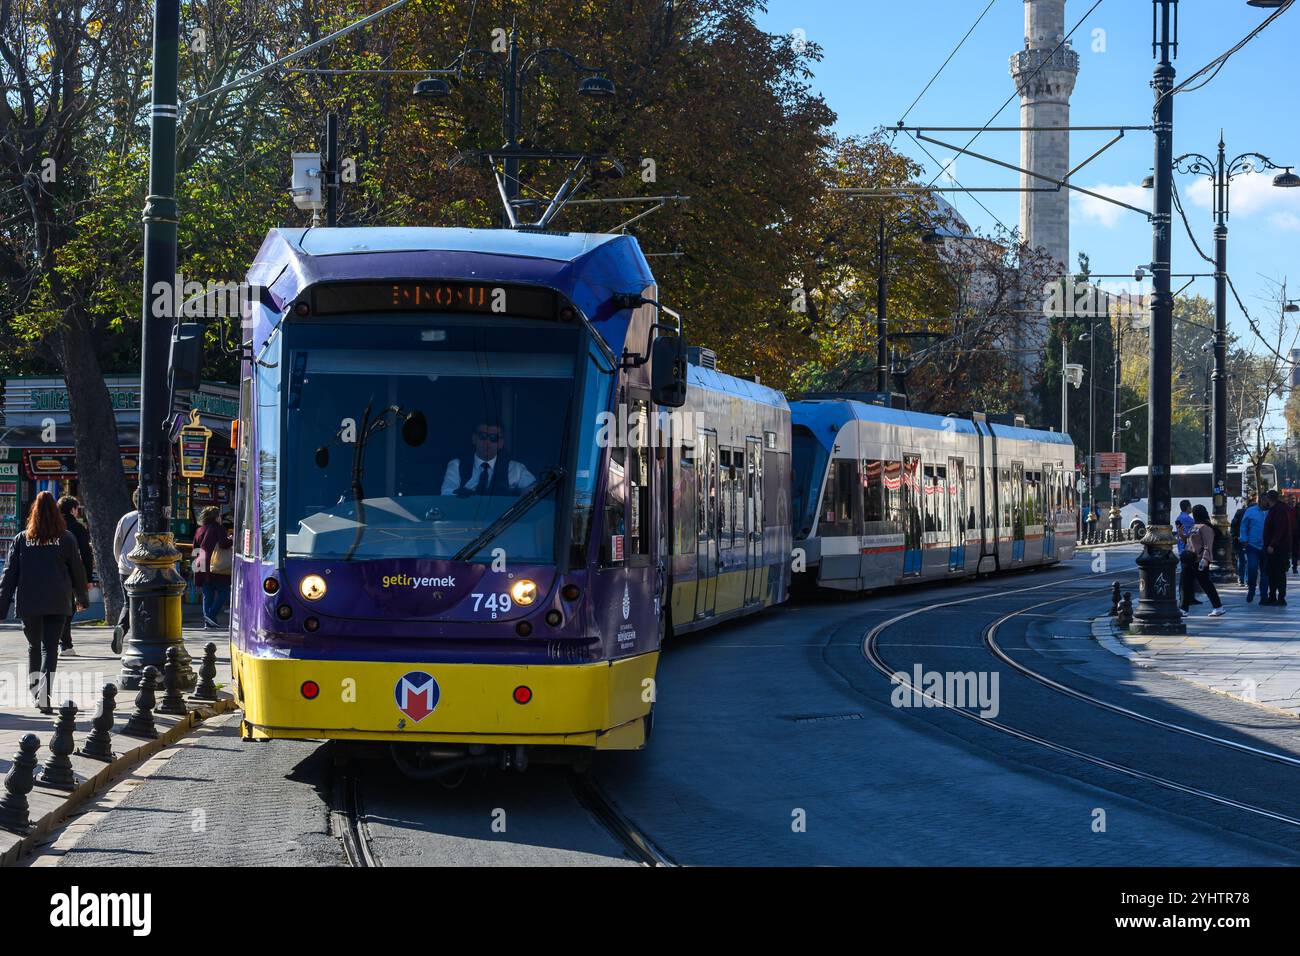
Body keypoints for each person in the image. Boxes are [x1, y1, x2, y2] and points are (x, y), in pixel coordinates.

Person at [0, 492, 90, 713]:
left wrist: (2, 605)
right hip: (58, 601)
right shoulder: (66, 538)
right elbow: (78, 572)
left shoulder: (22, 539)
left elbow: (10, 574)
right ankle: (44, 695)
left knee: (33, 647)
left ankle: (34, 691)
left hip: (29, 601)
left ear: (34, 513)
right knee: (50, 649)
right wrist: (81, 598)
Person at [440, 422, 536, 497]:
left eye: (494, 438)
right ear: (474, 439)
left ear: (501, 443)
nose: (487, 442)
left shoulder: (516, 468)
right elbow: (447, 495)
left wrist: (519, 493)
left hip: (504, 520)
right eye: (483, 436)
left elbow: (535, 491)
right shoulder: (457, 465)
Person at [55, 496, 93, 656]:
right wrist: (89, 578)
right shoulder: (77, 528)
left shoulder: (52, 526)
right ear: (73, 509)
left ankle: (62, 641)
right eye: (77, 509)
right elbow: (86, 554)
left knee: (60, 607)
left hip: (52, 571)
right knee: (69, 608)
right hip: (72, 573)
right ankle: (65, 644)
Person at [192, 506, 233, 628]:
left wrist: (196, 566)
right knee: (223, 591)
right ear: (216, 517)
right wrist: (231, 539)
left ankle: (208, 622)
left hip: (202, 563)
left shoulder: (199, 530)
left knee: (207, 593)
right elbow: (223, 544)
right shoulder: (218, 528)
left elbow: (195, 548)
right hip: (216, 564)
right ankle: (210, 615)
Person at [1183, 504, 1225, 617]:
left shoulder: (1205, 528)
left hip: (1199, 560)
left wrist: (1205, 559)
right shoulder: (1195, 526)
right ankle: (1183, 608)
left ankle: (1218, 607)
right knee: (1186, 584)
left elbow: (1208, 545)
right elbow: (1189, 542)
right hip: (1190, 559)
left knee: (1205, 583)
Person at [111, 489, 140, 654]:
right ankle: (141, 633)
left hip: (125, 567)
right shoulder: (153, 519)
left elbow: (117, 544)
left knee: (127, 603)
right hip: (144, 568)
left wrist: (121, 563)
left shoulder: (125, 518)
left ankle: (121, 627)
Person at [1262, 489, 1291, 606]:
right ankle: (1273, 596)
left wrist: (1272, 544)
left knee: (1278, 573)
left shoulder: (1278, 510)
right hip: (1274, 547)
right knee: (1272, 573)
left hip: (1277, 548)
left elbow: (1280, 529)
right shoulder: (1275, 509)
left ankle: (1280, 597)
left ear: (1269, 499)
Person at [1240, 493, 1270, 603]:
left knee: (1265, 572)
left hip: (1267, 547)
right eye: (1264, 500)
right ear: (1259, 500)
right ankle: (1251, 590)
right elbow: (1243, 526)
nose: (1266, 502)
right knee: (1252, 569)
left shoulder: (1270, 512)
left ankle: (1264, 596)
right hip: (1252, 546)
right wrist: (1244, 539)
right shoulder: (1250, 511)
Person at [1175, 499, 1200, 606]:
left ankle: (1186, 597)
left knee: (1186, 574)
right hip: (1188, 548)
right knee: (1188, 574)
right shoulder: (1188, 519)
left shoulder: (1179, 517)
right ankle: (1188, 597)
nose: (1191, 508)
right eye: (1190, 506)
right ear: (1187, 507)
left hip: (1181, 548)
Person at [1231, 497, 1250, 584]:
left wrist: (1234, 535)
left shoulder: (1239, 512)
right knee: (1248, 559)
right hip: (1248, 539)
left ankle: (1241, 579)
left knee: (1242, 559)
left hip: (1239, 539)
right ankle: (1246, 579)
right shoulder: (1252, 513)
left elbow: (1233, 524)